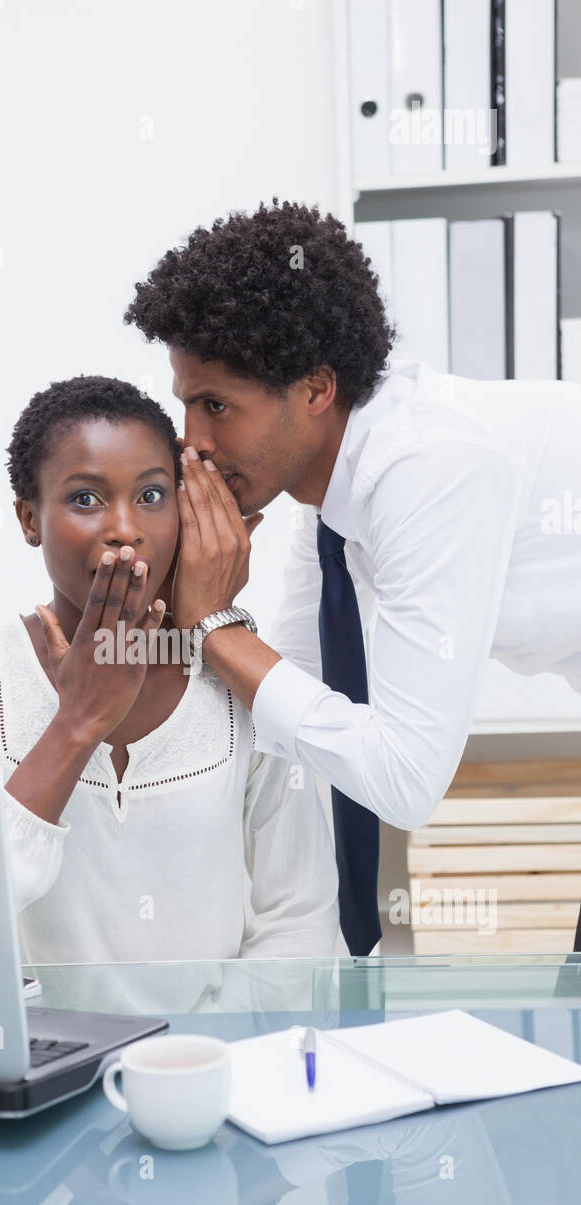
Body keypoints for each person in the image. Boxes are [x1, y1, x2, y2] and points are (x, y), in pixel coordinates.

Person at [125, 199, 581, 954]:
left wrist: (215, 626)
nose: (192, 447)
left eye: (216, 407)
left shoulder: (427, 468)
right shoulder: (332, 505)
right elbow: (288, 711)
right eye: (186, 407)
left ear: (314, 390)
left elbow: (406, 777)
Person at [0, 375, 339, 964]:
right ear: (29, 519)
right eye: (85, 498)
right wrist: (78, 722)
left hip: (210, 1051)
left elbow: (298, 920)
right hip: (33, 1053)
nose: (126, 528)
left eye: (152, 496)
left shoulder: (244, 679)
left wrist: (221, 1049)